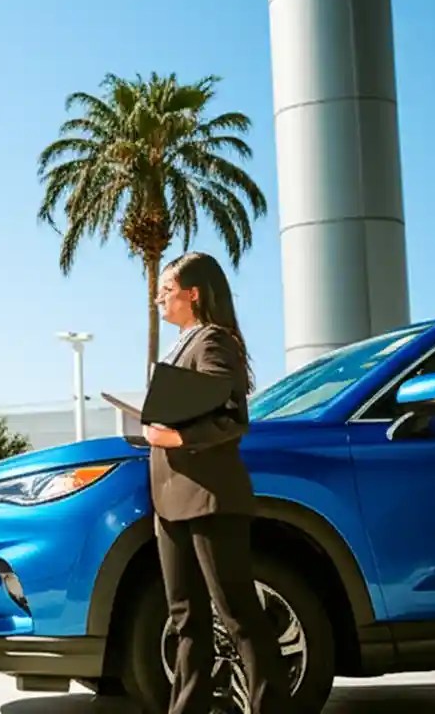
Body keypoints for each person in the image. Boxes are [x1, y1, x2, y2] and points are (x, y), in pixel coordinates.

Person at [141, 252, 291, 714]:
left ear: (194, 294)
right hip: (171, 504)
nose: (158, 298)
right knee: (186, 619)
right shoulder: (181, 344)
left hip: (209, 501)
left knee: (239, 615)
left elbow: (231, 418)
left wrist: (178, 435)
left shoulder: (214, 341)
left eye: (166, 290)